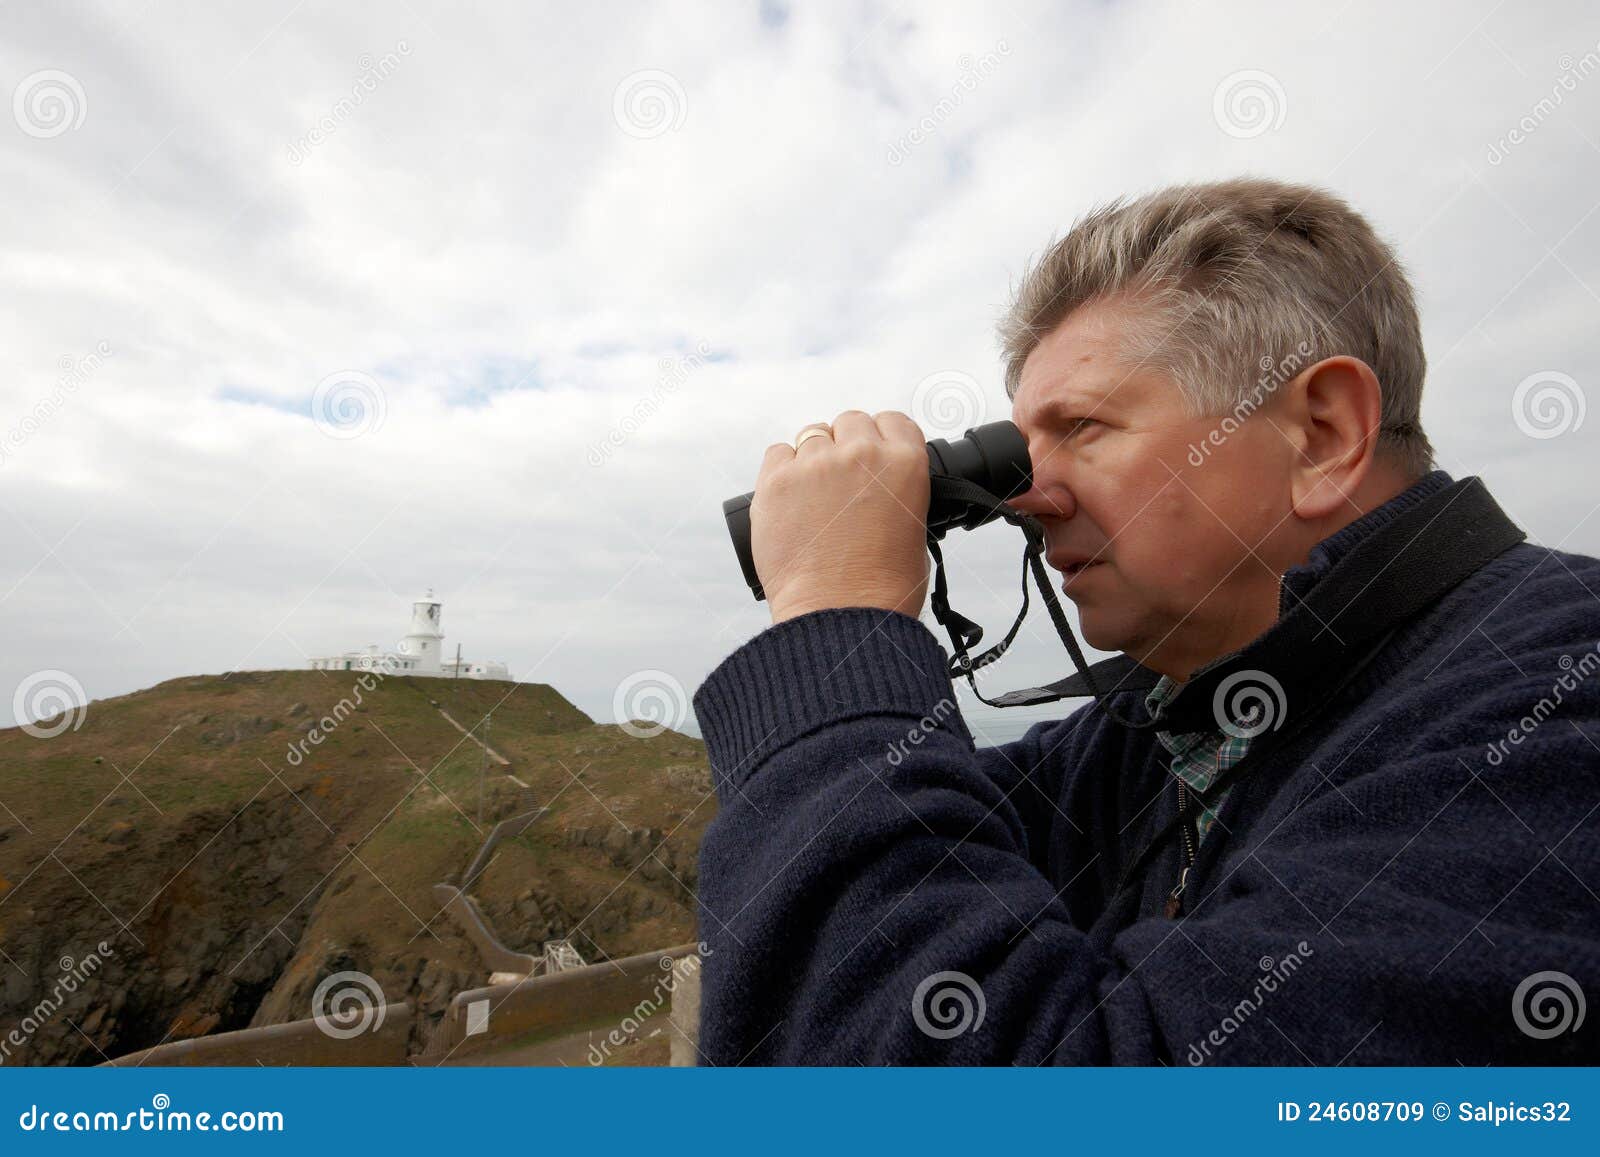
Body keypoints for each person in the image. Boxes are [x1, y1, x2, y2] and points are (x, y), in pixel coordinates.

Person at [689, 178, 1600, 1064]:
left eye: (1082, 426)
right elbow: (834, 884)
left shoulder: (1550, 703)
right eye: (1019, 450)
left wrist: (836, 618)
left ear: (1319, 434)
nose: (1029, 497)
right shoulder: (1170, 733)